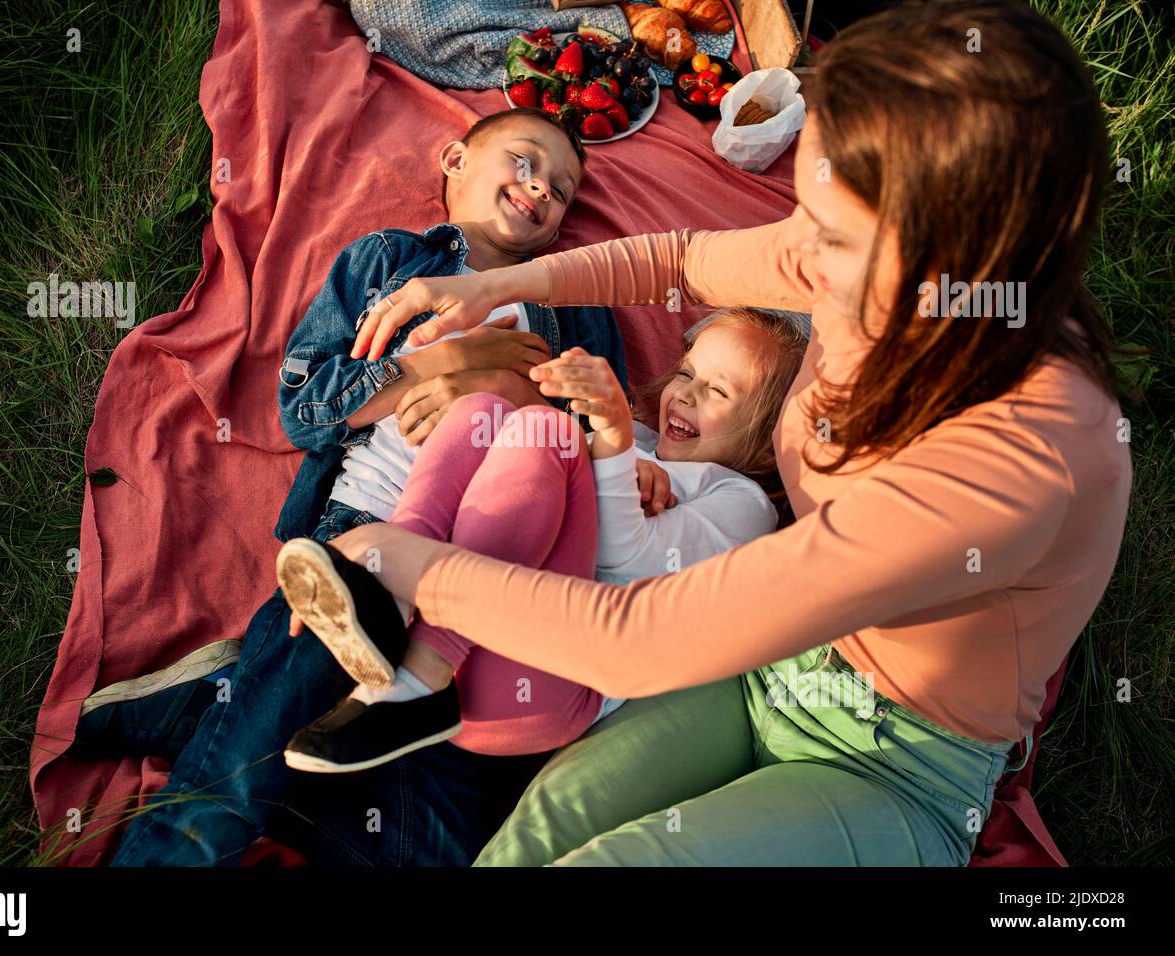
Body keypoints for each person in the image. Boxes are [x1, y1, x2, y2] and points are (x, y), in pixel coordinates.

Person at [332, 0, 1132, 865]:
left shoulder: (1016, 456)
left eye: (827, 231)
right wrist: (499, 286)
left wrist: (407, 563)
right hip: (765, 667)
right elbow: (678, 258)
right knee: (531, 841)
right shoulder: (872, 269)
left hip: (895, 767)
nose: (799, 248)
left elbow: (636, 640)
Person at [81, 106, 629, 866]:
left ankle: (205, 704)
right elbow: (307, 409)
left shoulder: (577, 306)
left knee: (425, 839)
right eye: (528, 161)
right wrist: (446, 364)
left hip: (494, 552)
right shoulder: (388, 262)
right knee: (242, 781)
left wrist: (506, 380)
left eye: (565, 191)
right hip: (363, 533)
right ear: (454, 161)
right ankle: (206, 773)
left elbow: (602, 440)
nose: (544, 191)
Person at [276, 307, 803, 772]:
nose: (686, 392)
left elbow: (626, 562)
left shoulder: (741, 502)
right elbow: (528, 484)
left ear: (767, 447)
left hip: (548, 686)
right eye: (687, 372)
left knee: (546, 431)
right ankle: (391, 600)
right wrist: (619, 453)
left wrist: (613, 446)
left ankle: (428, 658)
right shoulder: (645, 446)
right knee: (482, 411)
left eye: (717, 391)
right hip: (480, 640)